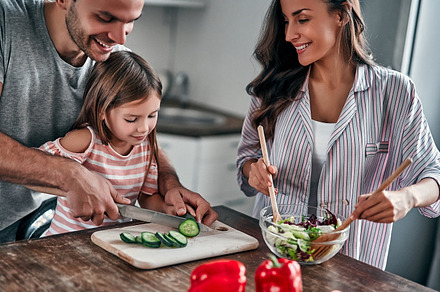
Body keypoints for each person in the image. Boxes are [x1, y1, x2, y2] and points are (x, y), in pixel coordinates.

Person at [237, 0, 440, 270]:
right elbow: (247, 158)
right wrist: (254, 171)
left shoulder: (395, 92)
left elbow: (434, 174)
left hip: (353, 265)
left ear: (341, 14)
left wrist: (407, 197)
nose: (289, 34)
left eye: (302, 19)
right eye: (286, 21)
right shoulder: (273, 86)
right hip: (276, 259)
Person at [0, 0, 217, 243]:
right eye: (105, 18)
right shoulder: (6, 23)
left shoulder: (112, 58)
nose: (120, 39)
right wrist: (71, 174)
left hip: (38, 221)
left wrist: (169, 184)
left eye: (131, 22)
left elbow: (141, 142)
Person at [33, 50, 176, 235]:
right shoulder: (85, 140)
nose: (144, 128)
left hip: (114, 242)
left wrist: (167, 210)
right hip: (67, 241)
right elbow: (40, 165)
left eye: (152, 115)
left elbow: (146, 197)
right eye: (132, 119)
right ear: (102, 111)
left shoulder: (145, 147)